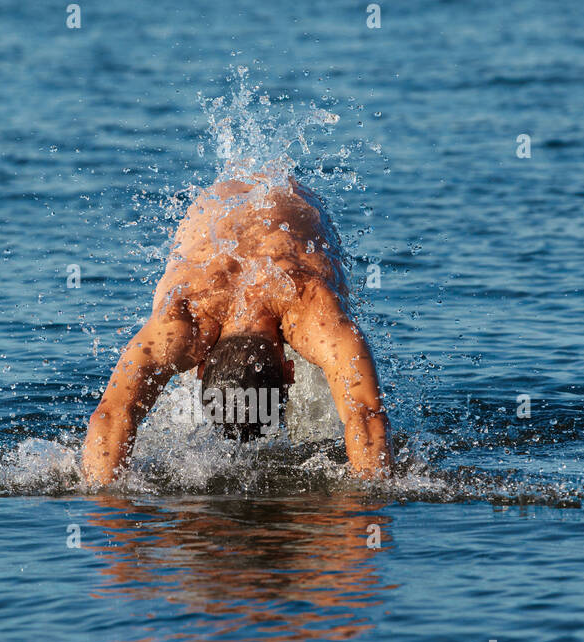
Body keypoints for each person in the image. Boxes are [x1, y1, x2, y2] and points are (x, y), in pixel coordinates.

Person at [81, 171, 391, 485]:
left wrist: (107, 500)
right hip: (262, 195)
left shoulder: (310, 308)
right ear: (289, 371)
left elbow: (368, 415)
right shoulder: (181, 324)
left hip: (281, 197)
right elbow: (108, 417)